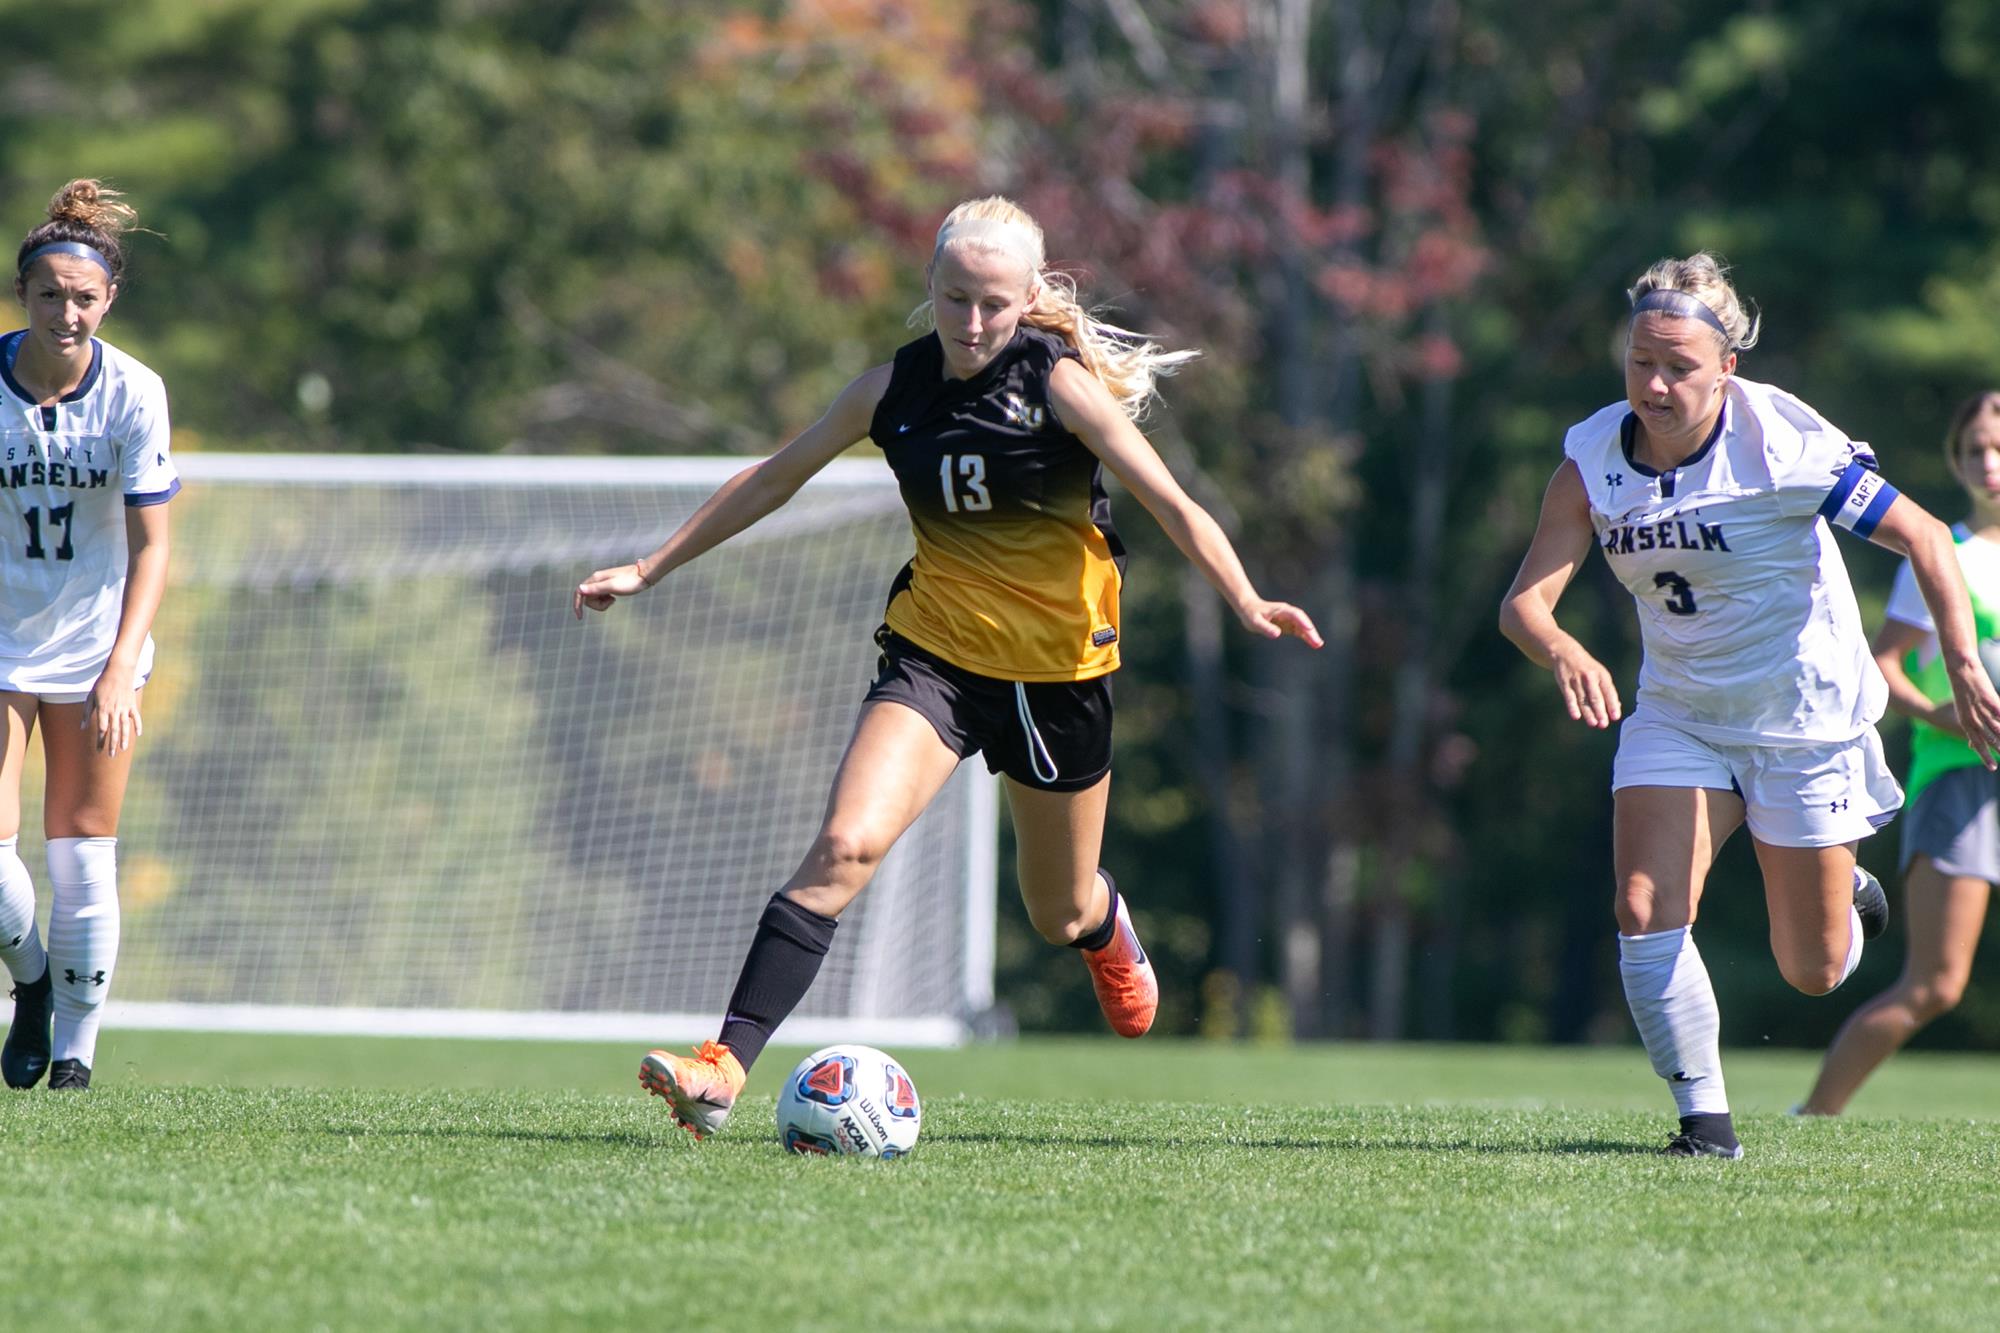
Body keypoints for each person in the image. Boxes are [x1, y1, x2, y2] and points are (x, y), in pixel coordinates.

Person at [574, 196, 1321, 1138]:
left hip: (1057, 678)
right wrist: (649, 567)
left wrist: (1246, 597)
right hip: (937, 661)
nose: (971, 323)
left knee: (1056, 910)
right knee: (844, 846)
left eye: (994, 304)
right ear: (929, 286)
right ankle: (722, 1070)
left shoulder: (1059, 387)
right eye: (955, 298)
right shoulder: (889, 390)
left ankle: (1104, 922)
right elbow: (775, 476)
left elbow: (1171, 500)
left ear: (1029, 298)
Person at [1498, 253, 2000, 1158]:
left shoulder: (1781, 443)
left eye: (1679, 366)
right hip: (1680, 712)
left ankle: (1845, 890)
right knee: (1644, 905)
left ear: (1726, 367)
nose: (1655, 384)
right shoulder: (1591, 460)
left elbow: (1927, 536)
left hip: (1803, 719)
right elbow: (1524, 605)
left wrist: (1962, 664)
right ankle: (1706, 1127)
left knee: (1813, 970)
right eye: (1640, 362)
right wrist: (1563, 646)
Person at [1, 180, 178, 1092]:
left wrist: (118, 670)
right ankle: (31, 980)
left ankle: (76, 1056)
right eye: (48, 294)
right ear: (22, 294)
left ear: (108, 301)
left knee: (81, 853)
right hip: (3, 641)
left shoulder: (135, 392)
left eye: (83, 297)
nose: (64, 313)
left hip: (95, 647)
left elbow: (154, 546)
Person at [1798, 391, 2000, 1115]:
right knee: (1936, 984)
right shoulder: (1942, 555)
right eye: (1975, 449)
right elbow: (1885, 665)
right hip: (1961, 779)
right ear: (1955, 460)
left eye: (1999, 448)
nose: (1988, 462)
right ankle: (1813, 1116)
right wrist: (1941, 712)